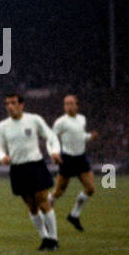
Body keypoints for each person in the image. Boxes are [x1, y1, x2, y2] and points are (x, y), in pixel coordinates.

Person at [0, 92, 62, 250]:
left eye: (13, 103)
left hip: (35, 165)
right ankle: (45, 238)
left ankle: (54, 239)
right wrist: (2, 157)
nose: (10, 106)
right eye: (7, 104)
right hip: (18, 169)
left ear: (21, 104)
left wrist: (54, 151)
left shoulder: (34, 120)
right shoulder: (3, 126)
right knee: (31, 206)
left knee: (43, 202)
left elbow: (50, 136)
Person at [51, 94, 98, 231]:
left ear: (77, 105)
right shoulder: (61, 122)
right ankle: (46, 207)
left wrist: (90, 136)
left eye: (71, 103)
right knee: (58, 192)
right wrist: (54, 152)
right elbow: (52, 137)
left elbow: (81, 136)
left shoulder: (82, 119)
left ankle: (74, 215)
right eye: (66, 104)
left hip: (81, 158)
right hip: (67, 159)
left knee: (90, 189)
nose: (69, 106)